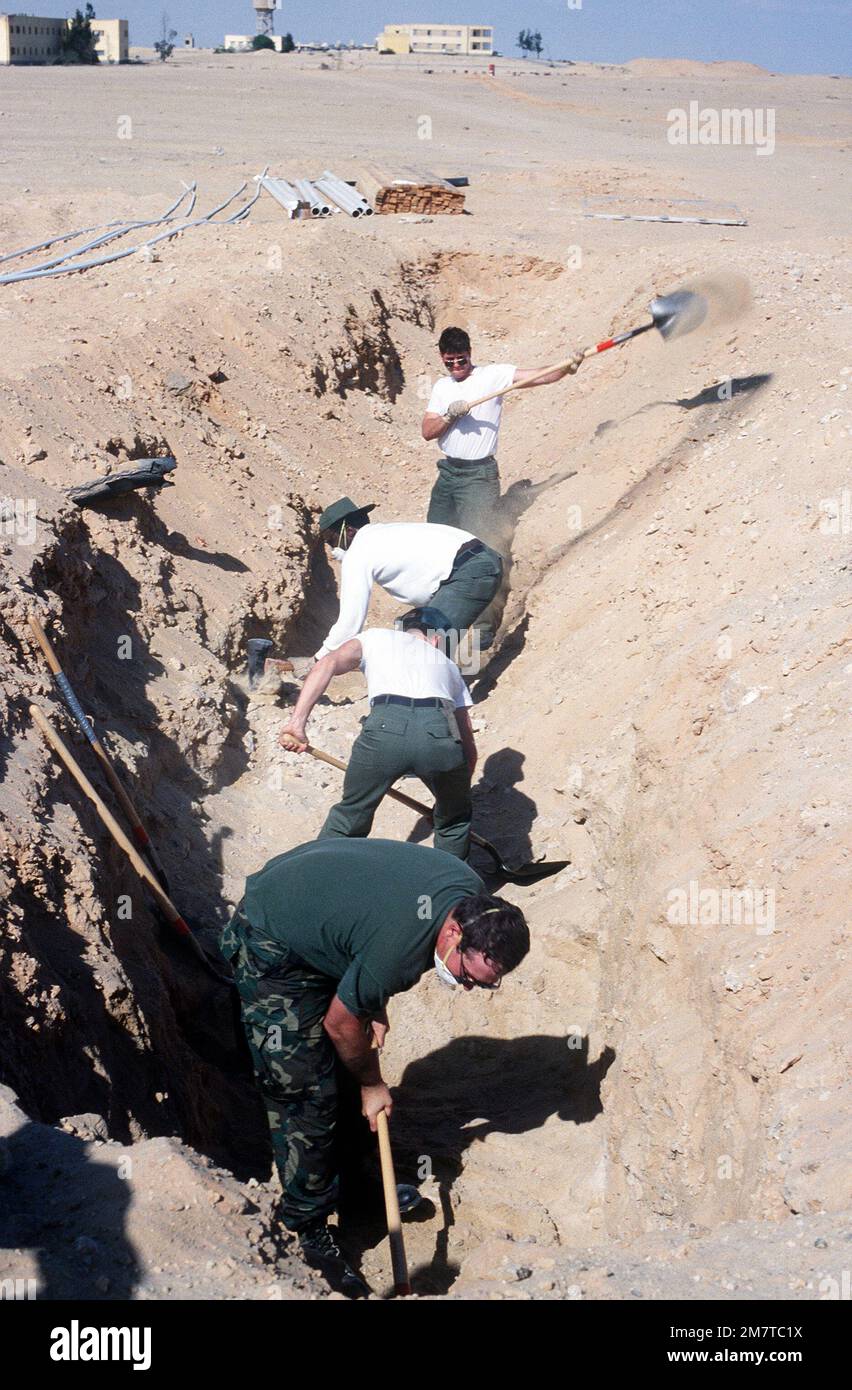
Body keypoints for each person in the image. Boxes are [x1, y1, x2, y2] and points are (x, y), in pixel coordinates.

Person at [220, 838, 530, 1295]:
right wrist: (371, 1083)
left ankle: (359, 1186)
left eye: (483, 986)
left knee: (344, 1068)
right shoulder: (403, 948)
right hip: (273, 939)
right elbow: (341, 1022)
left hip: (318, 906)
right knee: (305, 1089)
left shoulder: (468, 898)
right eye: (468, 977)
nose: (467, 989)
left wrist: (371, 1000)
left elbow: (370, 932)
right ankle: (308, 1224)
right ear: (453, 935)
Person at [280, 607, 476, 858]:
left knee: (350, 816)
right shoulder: (448, 665)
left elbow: (326, 664)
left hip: (385, 728)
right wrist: (447, 804)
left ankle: (318, 879)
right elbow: (468, 747)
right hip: (439, 734)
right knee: (454, 823)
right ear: (437, 639)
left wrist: (297, 724)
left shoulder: (375, 637)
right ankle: (456, 893)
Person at [421, 326, 584, 539]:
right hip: (448, 472)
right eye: (449, 361)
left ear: (470, 353)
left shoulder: (492, 375)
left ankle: (493, 569)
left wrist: (567, 367)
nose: (456, 366)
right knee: (436, 532)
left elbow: (540, 376)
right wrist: (449, 416)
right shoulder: (442, 387)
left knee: (477, 536)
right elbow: (427, 431)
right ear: (442, 358)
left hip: (478, 475)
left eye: (461, 360)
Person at [314, 496, 504, 654]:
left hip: (470, 572)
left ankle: (448, 694)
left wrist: (319, 659)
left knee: (423, 648)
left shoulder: (358, 553)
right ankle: (459, 678)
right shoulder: (385, 534)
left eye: (332, 541)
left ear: (348, 531)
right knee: (409, 628)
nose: (333, 549)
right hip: (480, 560)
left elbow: (349, 625)